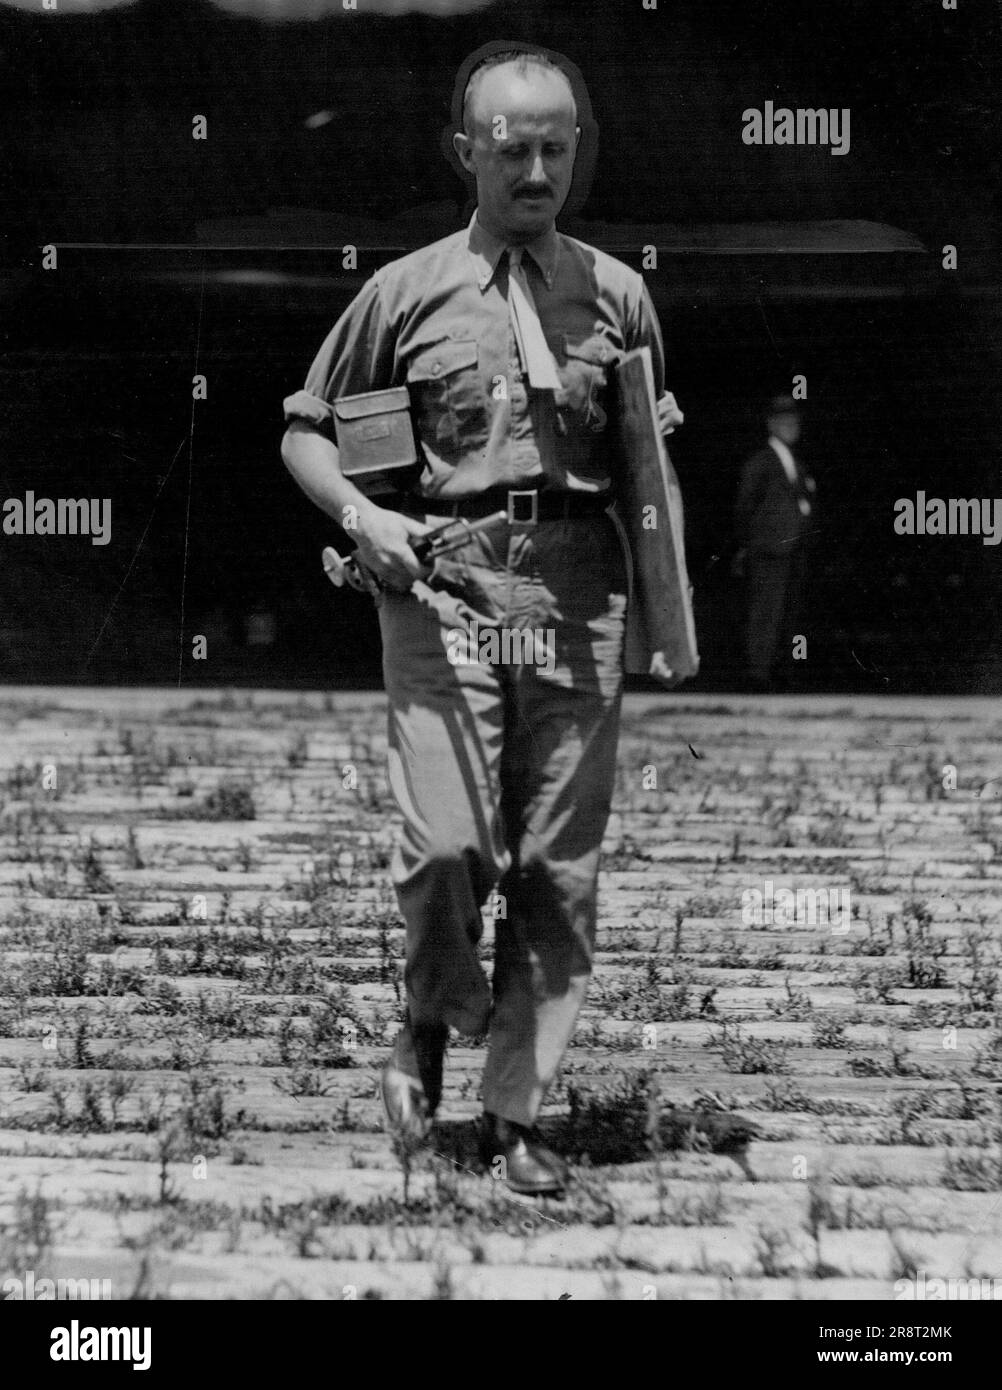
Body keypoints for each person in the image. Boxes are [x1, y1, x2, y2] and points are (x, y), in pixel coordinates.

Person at [280, 47, 683, 1196]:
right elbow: (311, 434)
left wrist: (658, 592)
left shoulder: (616, 292)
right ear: (467, 151)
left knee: (558, 865)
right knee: (452, 843)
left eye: (559, 147)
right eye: (515, 148)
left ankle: (518, 1109)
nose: (541, 169)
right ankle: (425, 1013)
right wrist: (368, 518)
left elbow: (650, 467)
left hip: (576, 585)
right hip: (446, 578)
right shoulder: (403, 295)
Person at [733, 394, 816, 690]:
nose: (791, 426)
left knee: (788, 614)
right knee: (765, 612)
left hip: (793, 550)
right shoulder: (761, 462)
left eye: (794, 420)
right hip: (769, 550)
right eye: (784, 420)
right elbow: (745, 506)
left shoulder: (796, 463)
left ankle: (783, 671)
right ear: (771, 425)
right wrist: (751, 544)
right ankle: (758, 673)